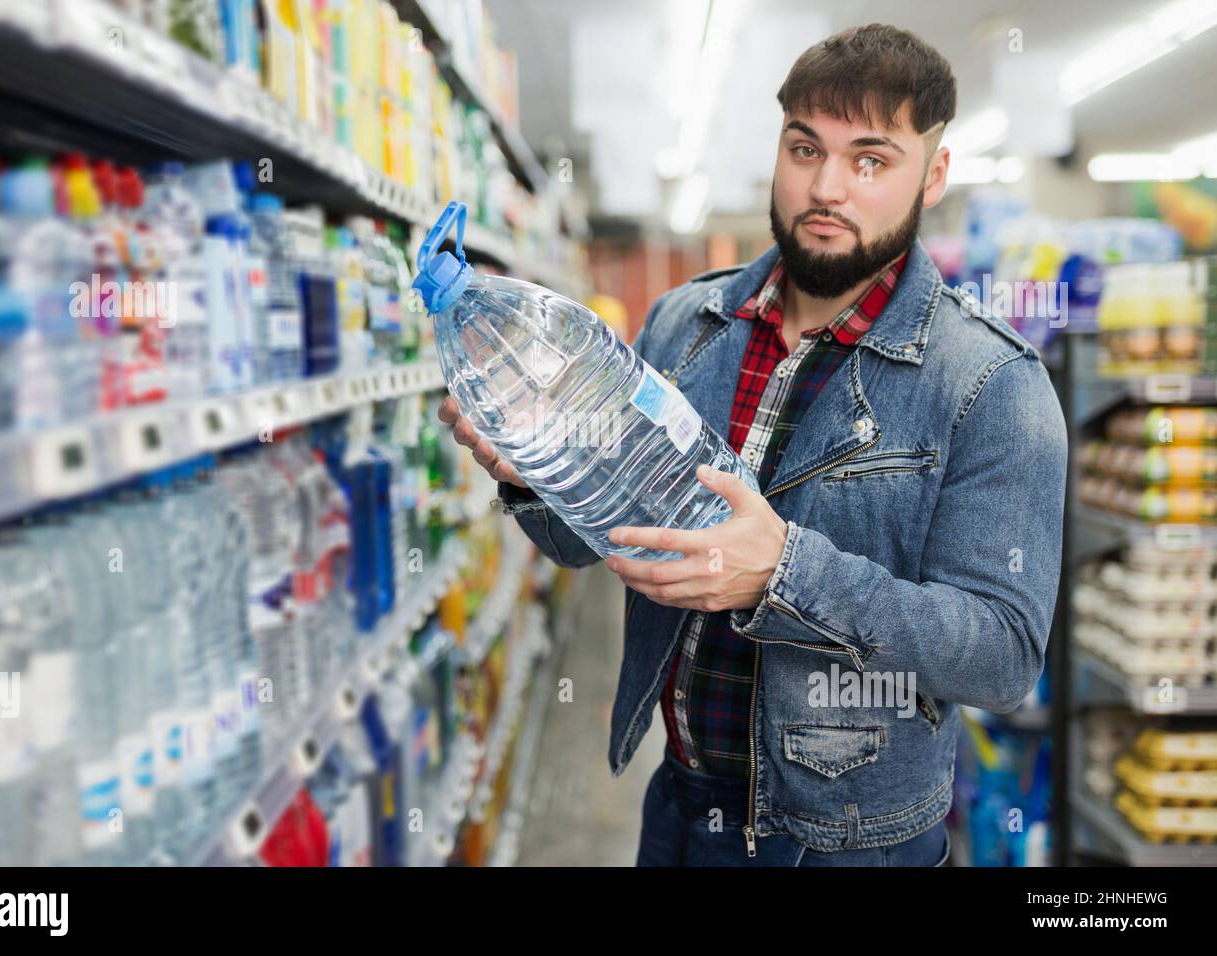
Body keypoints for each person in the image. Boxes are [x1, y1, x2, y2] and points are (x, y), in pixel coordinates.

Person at [438, 23, 1066, 867]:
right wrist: (535, 477)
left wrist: (784, 573)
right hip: (679, 805)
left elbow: (1000, 655)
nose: (828, 187)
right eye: (805, 148)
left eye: (871, 160)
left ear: (934, 174)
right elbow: (588, 542)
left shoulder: (991, 384)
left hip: (848, 843)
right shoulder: (686, 324)